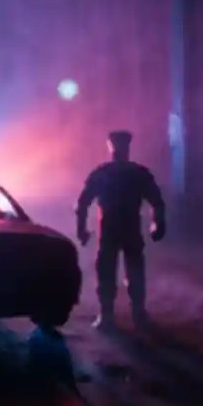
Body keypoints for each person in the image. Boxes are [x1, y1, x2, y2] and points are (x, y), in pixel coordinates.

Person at [75, 129, 166, 330]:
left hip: (117, 228)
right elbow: (83, 202)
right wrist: (158, 223)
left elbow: (83, 203)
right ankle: (120, 314)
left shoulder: (108, 173)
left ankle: (124, 314)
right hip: (118, 228)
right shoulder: (132, 173)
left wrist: (82, 228)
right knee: (117, 270)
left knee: (122, 270)